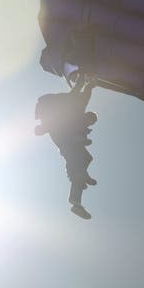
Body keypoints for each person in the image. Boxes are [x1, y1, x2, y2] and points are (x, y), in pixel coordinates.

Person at [35, 74, 98, 219]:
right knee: (78, 161)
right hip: (63, 137)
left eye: (91, 122)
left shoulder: (80, 122)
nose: (90, 123)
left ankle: (79, 179)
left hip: (68, 141)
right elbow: (78, 95)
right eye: (90, 119)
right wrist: (86, 83)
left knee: (87, 157)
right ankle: (76, 197)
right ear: (86, 115)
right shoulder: (76, 109)